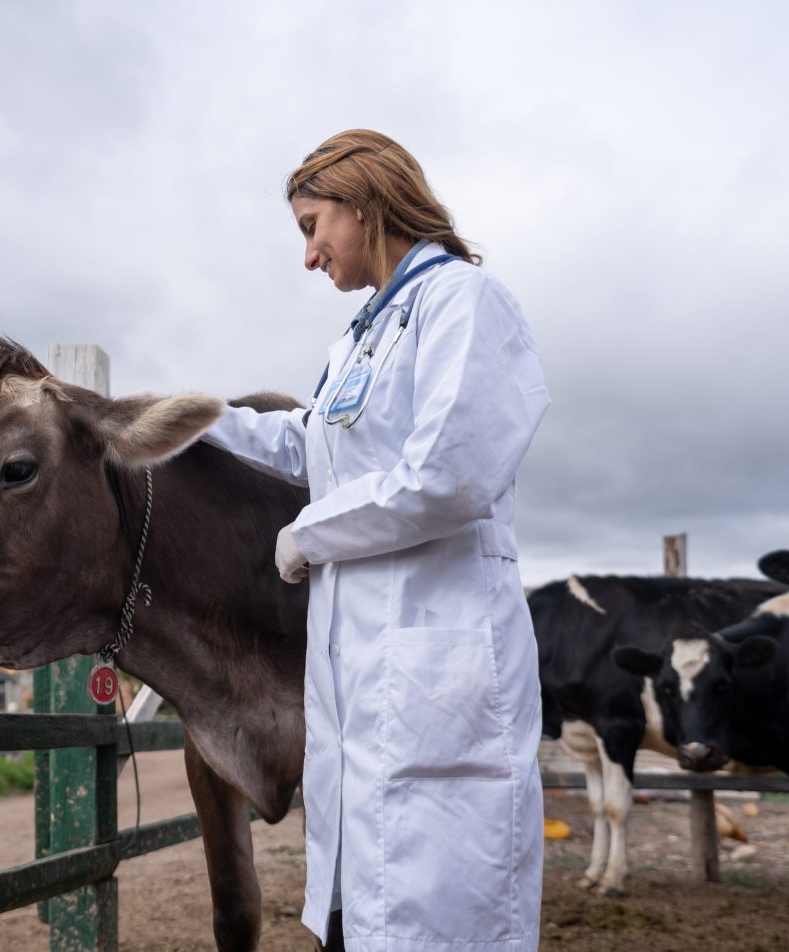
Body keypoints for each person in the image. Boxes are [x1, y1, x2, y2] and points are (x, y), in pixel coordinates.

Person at [202, 129, 548, 951]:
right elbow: (308, 444)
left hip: (441, 663)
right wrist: (193, 419)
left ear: (363, 203)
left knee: (438, 915)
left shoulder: (464, 300)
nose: (311, 253)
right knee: (362, 913)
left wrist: (307, 535)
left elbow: (452, 474)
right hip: (363, 674)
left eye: (312, 225)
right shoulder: (362, 337)